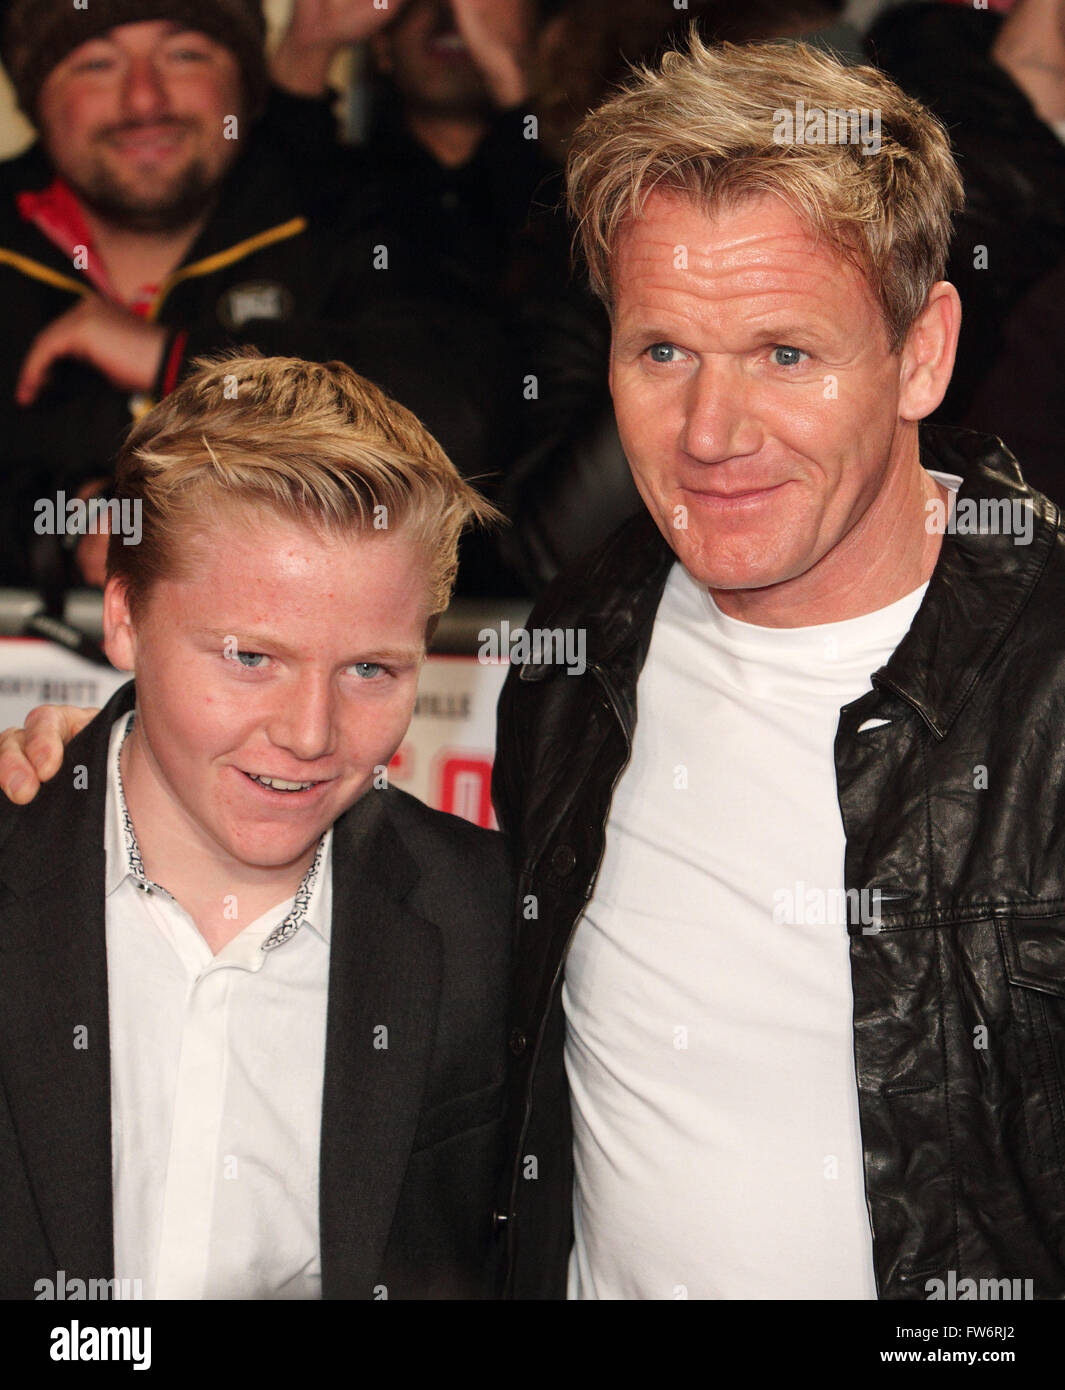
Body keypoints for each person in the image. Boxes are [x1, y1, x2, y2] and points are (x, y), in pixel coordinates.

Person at [490, 35, 1065, 1300]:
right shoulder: (577, 653)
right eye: (663, 353)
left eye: (784, 355)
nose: (711, 434)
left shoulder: (1047, 685)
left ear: (922, 352)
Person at [0, 351, 512, 1301]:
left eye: (371, 670)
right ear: (123, 617)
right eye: (249, 657)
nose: (310, 733)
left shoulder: (488, 922)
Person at [0, 0, 511, 593]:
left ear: (244, 84)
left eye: (184, 54)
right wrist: (68, 527)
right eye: (96, 64)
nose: (144, 99)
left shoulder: (347, 214)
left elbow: (467, 416)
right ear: (36, 98)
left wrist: (182, 357)